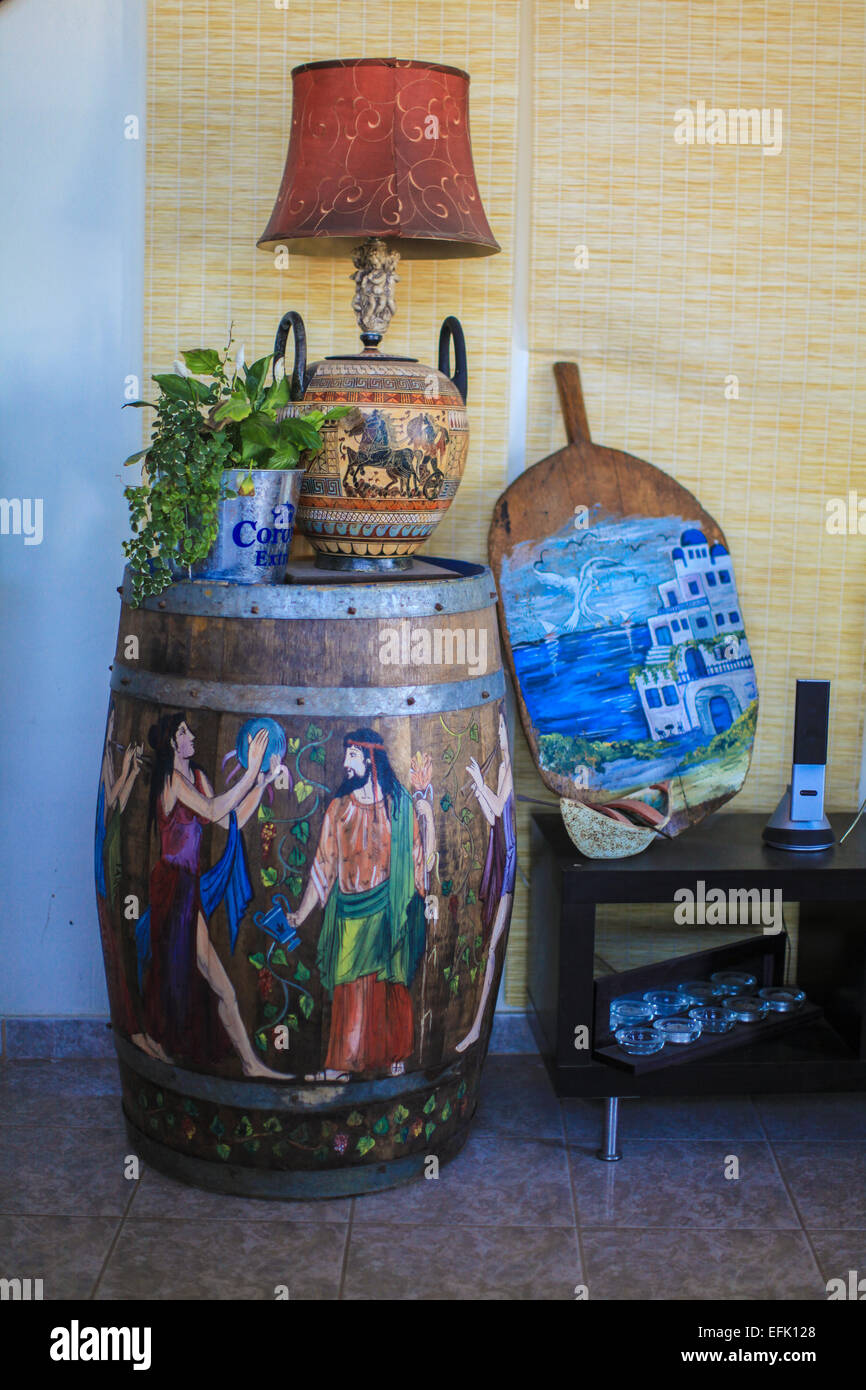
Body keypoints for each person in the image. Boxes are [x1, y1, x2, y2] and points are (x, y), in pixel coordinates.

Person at [140, 713, 286, 1077]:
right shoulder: (171, 781)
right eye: (184, 732)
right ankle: (163, 1046)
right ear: (173, 742)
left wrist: (261, 779)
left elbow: (227, 819)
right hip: (172, 886)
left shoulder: (199, 777)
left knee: (206, 979)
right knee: (186, 975)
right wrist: (251, 772)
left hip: (189, 889)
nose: (191, 736)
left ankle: (249, 1064)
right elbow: (209, 808)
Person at [287, 729, 436, 1081]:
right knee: (349, 991)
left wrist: (426, 893)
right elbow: (323, 866)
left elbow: (418, 859)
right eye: (345, 757)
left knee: (390, 985)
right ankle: (341, 1066)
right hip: (350, 912)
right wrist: (300, 913)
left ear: (370, 759)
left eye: (351, 756)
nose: (344, 764)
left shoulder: (398, 809)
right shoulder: (340, 809)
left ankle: (394, 1055)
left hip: (389, 909)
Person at [456, 710, 516, 1052]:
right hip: (498, 856)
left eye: (501, 729)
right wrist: (479, 787)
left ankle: (477, 1026)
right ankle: (476, 1025)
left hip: (504, 863)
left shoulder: (509, 770)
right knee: (488, 946)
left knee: (491, 946)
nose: (499, 736)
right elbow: (493, 815)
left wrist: (481, 784)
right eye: (498, 730)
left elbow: (497, 811)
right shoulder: (504, 769)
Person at [95, 707, 150, 1051]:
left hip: (112, 860)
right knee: (116, 945)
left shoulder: (112, 761)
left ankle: (137, 1030)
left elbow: (120, 801)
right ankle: (134, 1030)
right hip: (109, 859)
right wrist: (128, 768)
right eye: (112, 723)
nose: (112, 727)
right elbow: (112, 800)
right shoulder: (108, 760)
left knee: (122, 944)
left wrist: (129, 770)